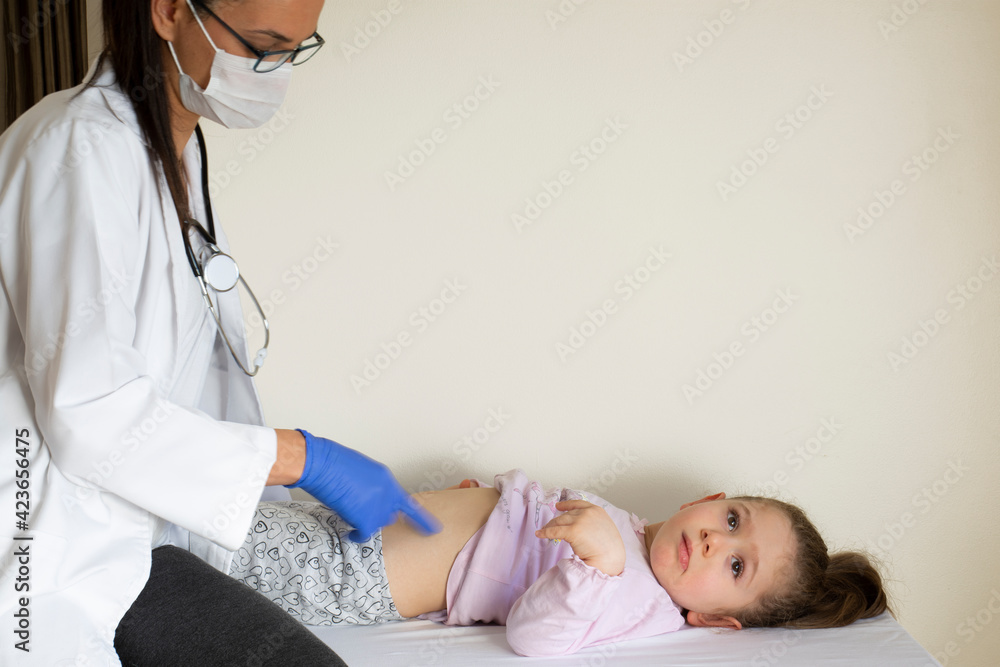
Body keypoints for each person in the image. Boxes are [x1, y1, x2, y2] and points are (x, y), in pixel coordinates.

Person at [0, 1, 438, 665]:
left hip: (136, 545)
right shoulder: (76, 150)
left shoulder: (177, 155)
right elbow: (88, 410)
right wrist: (302, 456)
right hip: (46, 556)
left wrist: (277, 477)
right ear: (171, 11)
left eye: (295, 48)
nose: (276, 72)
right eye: (260, 46)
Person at [232, 467, 891, 657]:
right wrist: (494, 505)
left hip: (361, 571)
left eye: (737, 568)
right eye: (732, 520)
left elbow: (534, 635)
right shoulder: (631, 527)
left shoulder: (637, 596)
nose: (720, 541)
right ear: (709, 499)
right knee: (218, 506)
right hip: (373, 521)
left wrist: (596, 564)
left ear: (716, 620)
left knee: (201, 538)